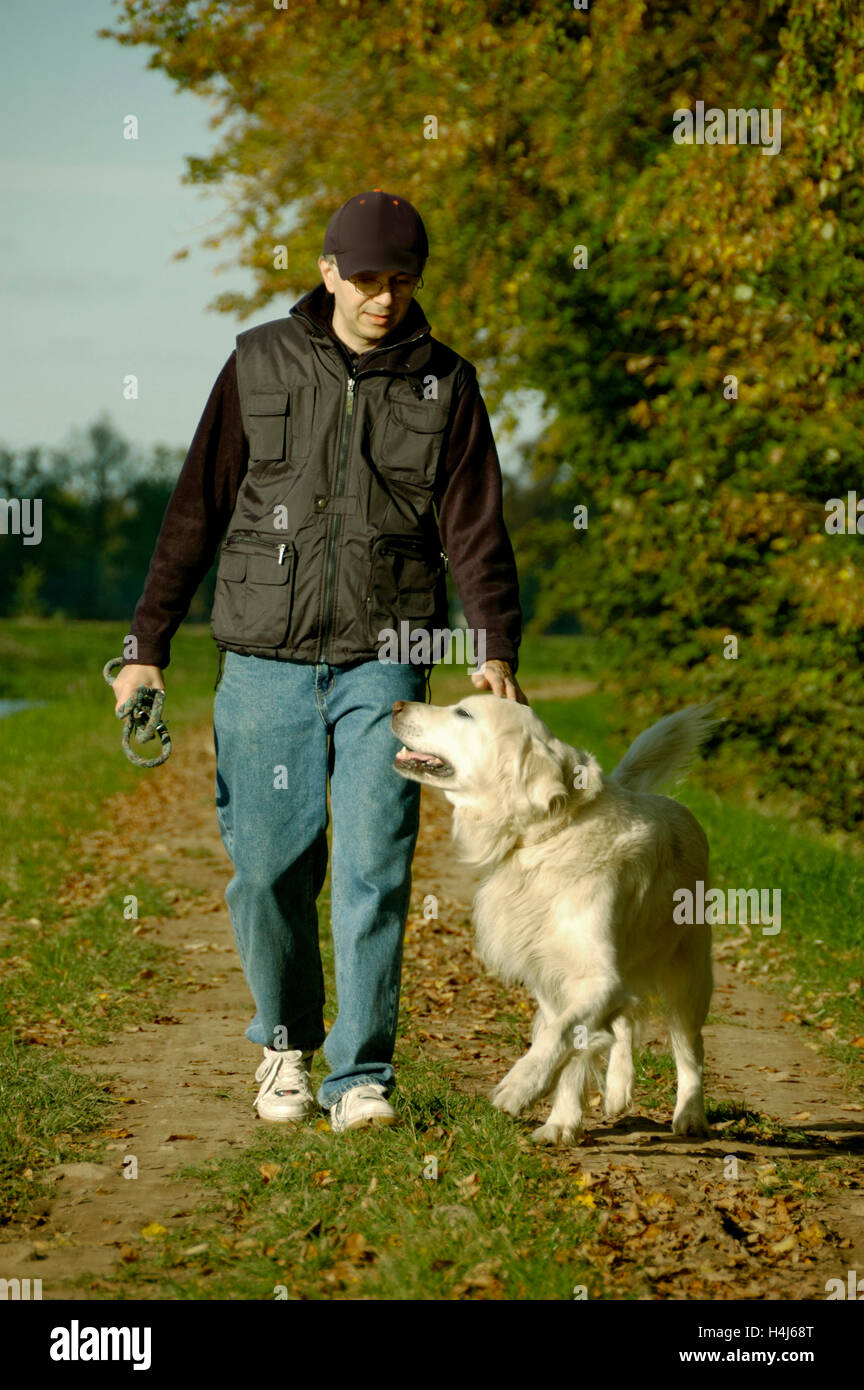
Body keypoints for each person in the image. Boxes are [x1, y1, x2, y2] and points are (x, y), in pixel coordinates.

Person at [111, 189, 525, 1134]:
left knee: (376, 867)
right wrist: (146, 645)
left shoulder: (447, 384)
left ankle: (361, 1075)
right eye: (369, 278)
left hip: (390, 655)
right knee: (267, 871)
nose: (385, 297)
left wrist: (494, 639)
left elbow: (476, 530)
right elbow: (195, 509)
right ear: (329, 271)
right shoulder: (259, 362)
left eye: (403, 280)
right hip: (263, 653)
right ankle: (287, 1046)